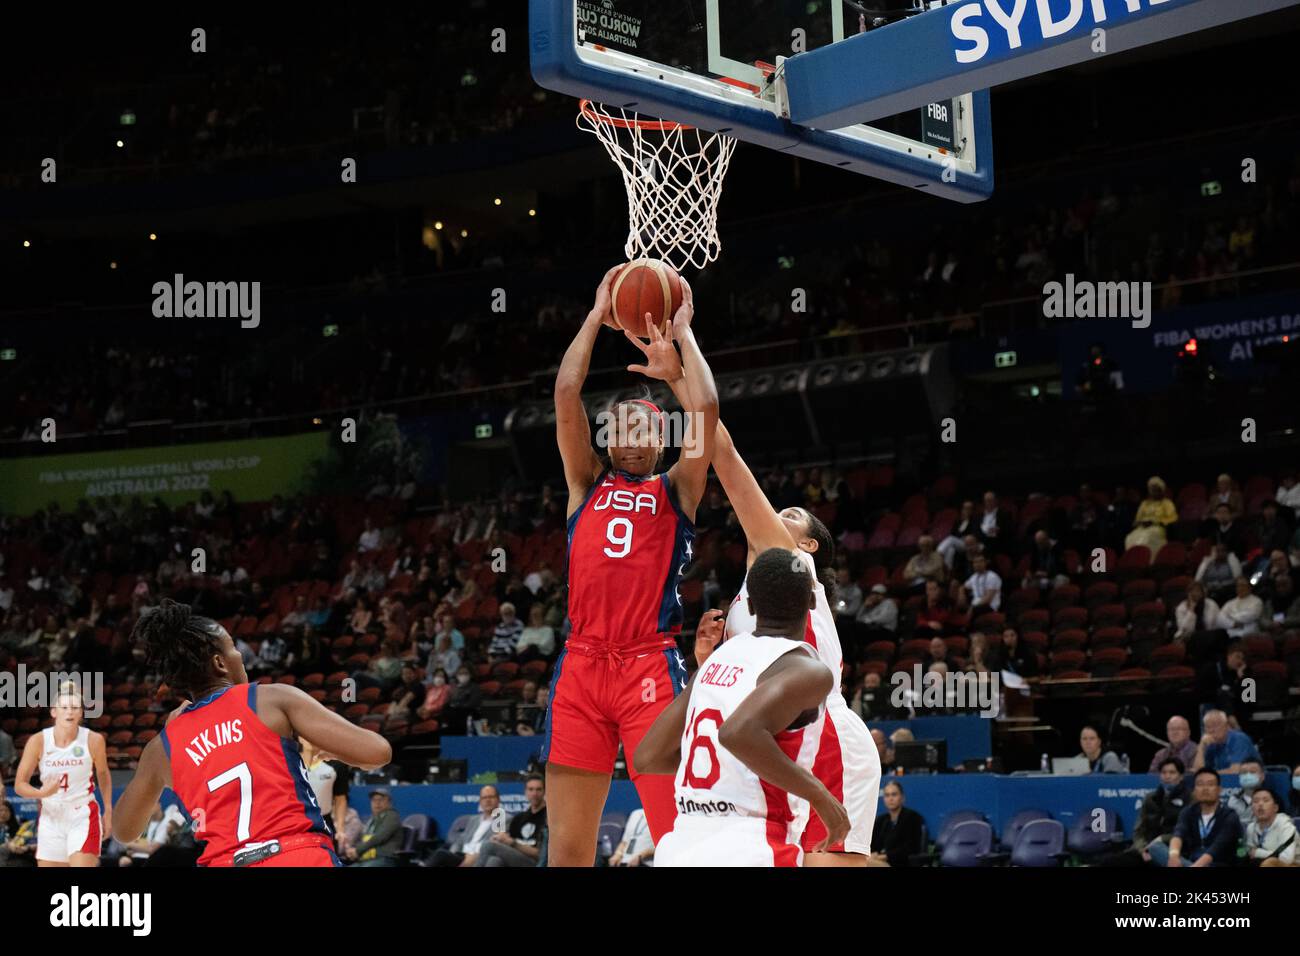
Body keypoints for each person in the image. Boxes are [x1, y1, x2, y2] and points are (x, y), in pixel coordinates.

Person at [546, 267, 718, 865]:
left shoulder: (678, 490)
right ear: (609, 436)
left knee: (676, 839)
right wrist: (596, 316)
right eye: (621, 424)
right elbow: (567, 394)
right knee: (567, 848)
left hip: (650, 665)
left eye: (645, 424)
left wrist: (683, 335)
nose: (632, 433)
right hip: (582, 666)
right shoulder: (584, 483)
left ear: (662, 439)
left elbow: (708, 408)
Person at [699, 418, 880, 867]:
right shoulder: (752, 590)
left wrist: (685, 382)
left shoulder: (797, 571)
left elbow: (728, 460)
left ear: (810, 548)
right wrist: (707, 663)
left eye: (794, 517)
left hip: (825, 733)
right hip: (776, 739)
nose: (781, 513)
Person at [112, 599, 392, 867]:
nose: (240, 656)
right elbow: (377, 752)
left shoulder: (162, 747)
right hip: (297, 855)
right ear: (220, 663)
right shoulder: (273, 699)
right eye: (233, 648)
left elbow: (124, 830)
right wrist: (332, 748)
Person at [638, 548, 849, 867]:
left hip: (680, 844)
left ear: (749, 604)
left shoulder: (716, 660)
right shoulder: (808, 671)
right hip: (752, 845)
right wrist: (821, 796)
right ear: (811, 602)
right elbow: (738, 733)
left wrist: (727, 770)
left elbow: (647, 756)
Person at [12, 682, 112, 867]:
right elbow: (19, 785)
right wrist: (42, 794)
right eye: (64, 707)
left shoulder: (93, 740)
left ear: (81, 713)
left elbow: (104, 774)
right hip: (51, 815)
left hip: (82, 813)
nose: (70, 712)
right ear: (54, 712)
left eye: (75, 708)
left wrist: (108, 810)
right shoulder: (38, 741)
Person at [1149, 769, 1243, 867]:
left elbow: (1216, 848)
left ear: (1219, 790)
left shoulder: (1229, 816)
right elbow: (1178, 834)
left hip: (1217, 863)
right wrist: (1174, 856)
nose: (1205, 788)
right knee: (1155, 848)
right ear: (1194, 790)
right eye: (1200, 784)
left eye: (1210, 784)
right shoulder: (1188, 812)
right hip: (1190, 863)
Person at [475, 774, 547, 867]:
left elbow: (541, 854)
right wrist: (501, 840)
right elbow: (508, 843)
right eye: (531, 789)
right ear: (525, 792)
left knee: (488, 846)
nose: (534, 793)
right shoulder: (519, 818)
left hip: (535, 863)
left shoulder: (547, 818)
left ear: (544, 792)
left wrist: (513, 843)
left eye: (538, 789)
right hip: (515, 858)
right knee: (495, 861)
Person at [428, 785, 504, 867]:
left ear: (498, 799)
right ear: (480, 801)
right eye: (484, 798)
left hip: (480, 857)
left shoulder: (501, 818)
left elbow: (495, 844)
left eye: (491, 797)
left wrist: (476, 856)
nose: (487, 800)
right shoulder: (473, 819)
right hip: (462, 856)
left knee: (440, 854)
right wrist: (453, 854)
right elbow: (460, 840)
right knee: (442, 854)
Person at [300, 737, 350, 856]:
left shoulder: (336, 765)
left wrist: (340, 829)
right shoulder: (289, 760)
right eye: (305, 734)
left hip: (324, 822)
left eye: (312, 734)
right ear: (299, 737)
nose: (309, 738)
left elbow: (340, 799)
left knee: (328, 858)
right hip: (295, 822)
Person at [867, 781, 926, 867]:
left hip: (899, 862)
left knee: (862, 863)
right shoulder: (881, 820)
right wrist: (873, 854)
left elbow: (911, 847)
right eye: (887, 795)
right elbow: (873, 844)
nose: (890, 798)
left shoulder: (912, 817)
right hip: (879, 860)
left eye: (894, 794)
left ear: (902, 797)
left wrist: (885, 856)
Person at [1192, 709, 1261, 774]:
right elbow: (1197, 770)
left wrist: (1209, 775)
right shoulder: (1210, 743)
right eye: (1208, 727)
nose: (1211, 730)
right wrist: (1201, 745)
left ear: (1226, 726)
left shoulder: (1238, 738)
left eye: (1215, 725)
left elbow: (1235, 771)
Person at [345, 789, 402, 867]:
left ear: (389, 802)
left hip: (384, 858)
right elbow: (364, 839)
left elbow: (380, 837)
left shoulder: (392, 816)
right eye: (374, 800)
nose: (377, 803)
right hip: (367, 859)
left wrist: (358, 850)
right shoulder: (372, 819)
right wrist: (353, 850)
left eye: (381, 799)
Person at [1124, 476, 1177, 554]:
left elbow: (1173, 518)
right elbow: (1137, 519)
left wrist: (1155, 522)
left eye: (1156, 489)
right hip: (1142, 528)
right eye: (1152, 489)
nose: (1153, 492)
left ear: (1161, 490)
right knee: (1129, 538)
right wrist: (1140, 522)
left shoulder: (1167, 503)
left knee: (1147, 538)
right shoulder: (1144, 503)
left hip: (1157, 528)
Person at [1245, 788, 1297, 866]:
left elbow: (1286, 858)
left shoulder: (1286, 827)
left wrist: (1258, 852)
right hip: (1263, 863)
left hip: (1292, 864)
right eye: (1255, 801)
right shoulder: (1251, 828)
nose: (1260, 804)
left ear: (1275, 808)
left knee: (1269, 863)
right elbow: (1249, 852)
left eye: (1265, 800)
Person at [1226, 759, 1267, 828]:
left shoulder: (1271, 799)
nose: (1248, 775)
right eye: (1244, 772)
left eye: (1253, 772)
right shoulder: (1232, 801)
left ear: (1262, 776)